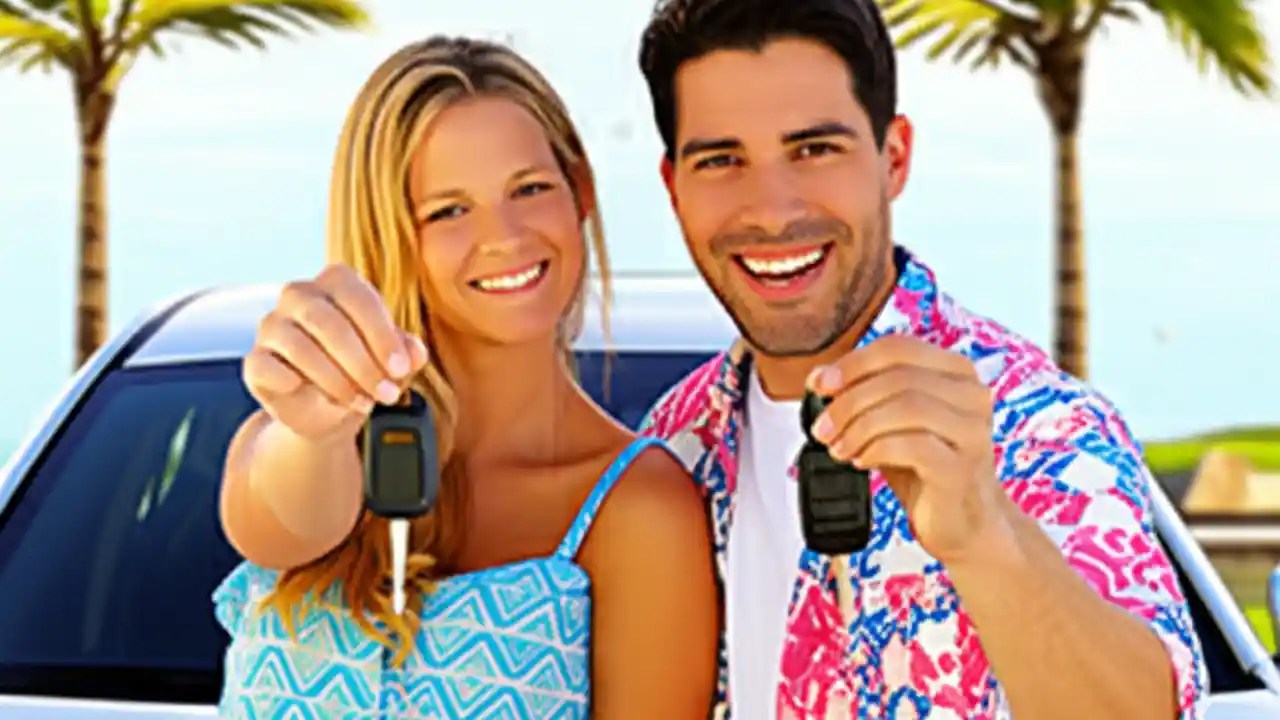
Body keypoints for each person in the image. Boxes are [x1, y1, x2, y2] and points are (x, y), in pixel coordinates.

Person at [634, 0, 1208, 718]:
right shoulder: (672, 445)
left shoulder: (1035, 422)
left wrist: (983, 533)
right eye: (722, 160)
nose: (772, 210)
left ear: (894, 157)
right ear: (673, 187)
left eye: (814, 149)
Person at [212, 36, 719, 719]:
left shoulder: (639, 508)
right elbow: (280, 522)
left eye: (530, 189)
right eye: (448, 210)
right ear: (391, 234)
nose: (504, 235)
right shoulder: (312, 450)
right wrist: (312, 427)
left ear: (582, 195)